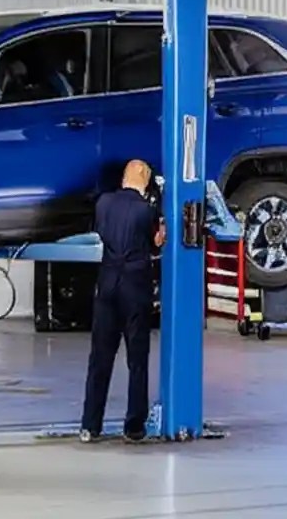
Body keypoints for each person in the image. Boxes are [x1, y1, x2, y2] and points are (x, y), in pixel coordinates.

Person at [80, 159, 166, 444]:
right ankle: (134, 426)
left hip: (107, 285)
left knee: (99, 359)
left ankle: (90, 425)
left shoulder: (103, 203)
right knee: (137, 360)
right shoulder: (147, 210)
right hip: (135, 287)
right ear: (143, 177)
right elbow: (156, 241)